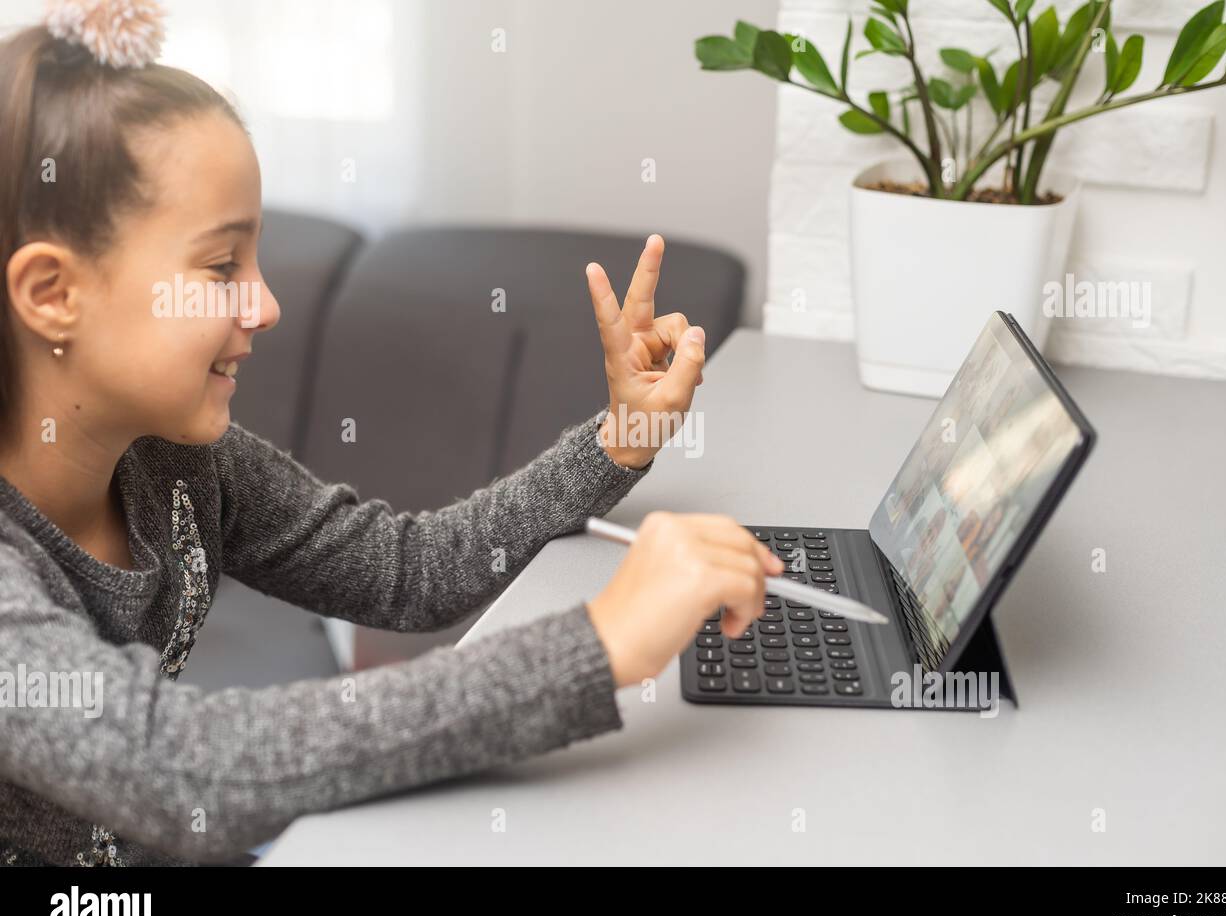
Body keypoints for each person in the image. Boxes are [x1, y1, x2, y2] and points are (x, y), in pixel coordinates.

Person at [0, 1, 780, 866]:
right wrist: (599, 646)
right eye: (221, 268)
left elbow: (409, 570)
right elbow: (185, 766)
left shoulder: (177, 463)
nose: (264, 305)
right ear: (50, 293)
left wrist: (619, 439)